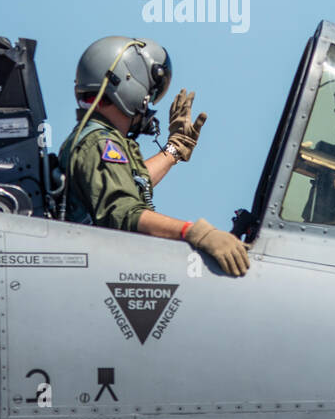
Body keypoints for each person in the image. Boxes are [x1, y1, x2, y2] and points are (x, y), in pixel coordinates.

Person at [57, 36, 250, 277]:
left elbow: (127, 183)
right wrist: (195, 233)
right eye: (149, 92)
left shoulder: (97, 138)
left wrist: (174, 150)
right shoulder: (99, 143)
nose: (148, 103)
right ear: (128, 83)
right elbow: (125, 212)